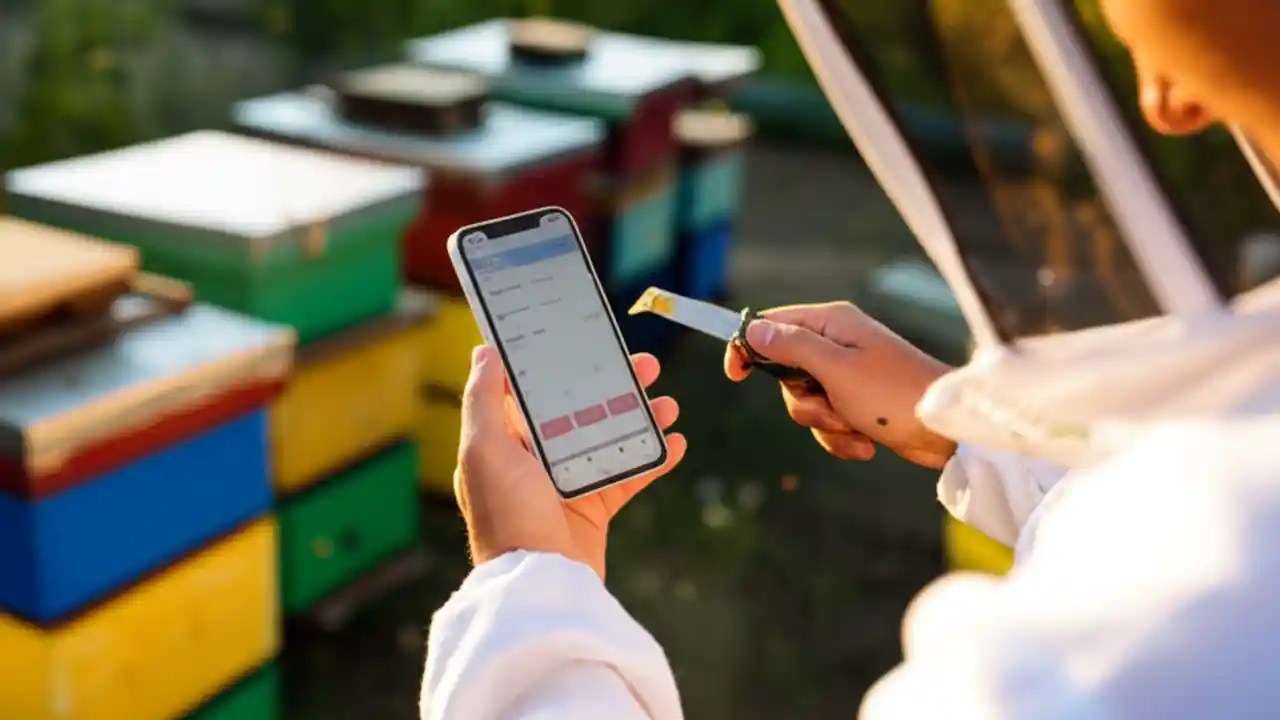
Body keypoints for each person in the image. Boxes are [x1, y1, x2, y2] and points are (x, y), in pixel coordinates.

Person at [421, 1, 1280, 717]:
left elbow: (1168, 556)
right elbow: (1144, 511)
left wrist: (529, 582)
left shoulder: (1151, 636)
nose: (1164, 103)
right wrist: (959, 424)